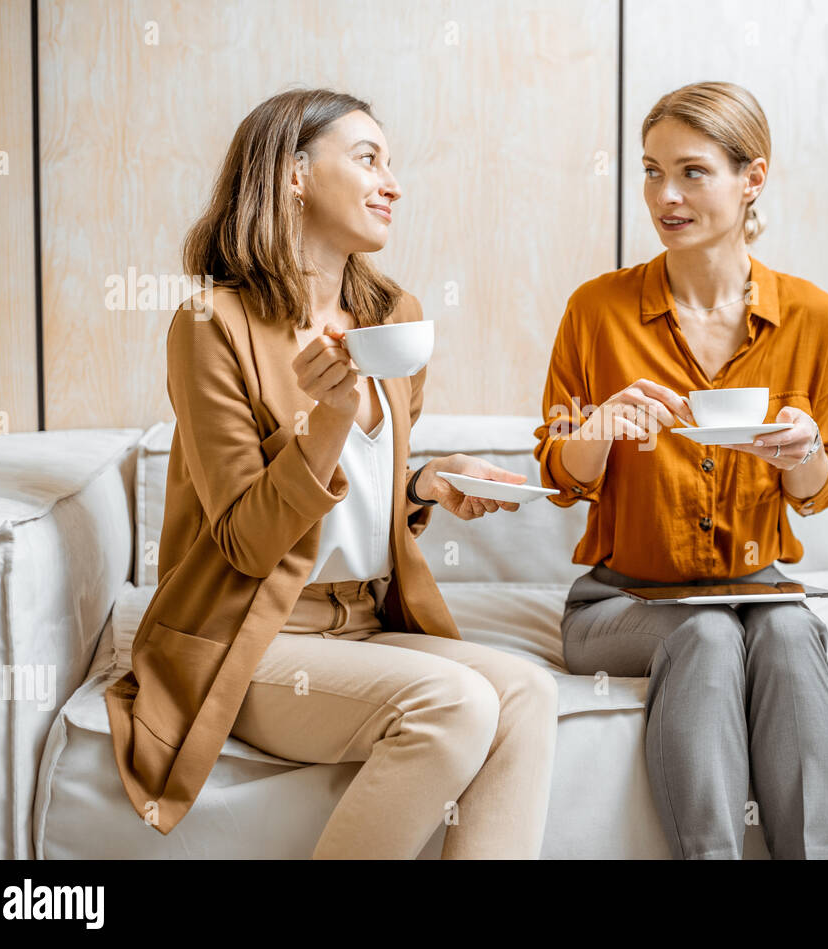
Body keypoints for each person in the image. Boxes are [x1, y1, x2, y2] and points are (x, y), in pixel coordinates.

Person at [106, 88, 557, 858]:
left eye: (391, 163)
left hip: (366, 624)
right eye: (368, 159)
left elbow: (372, 488)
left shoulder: (393, 312)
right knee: (453, 703)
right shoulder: (213, 323)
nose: (393, 183)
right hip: (254, 636)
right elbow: (246, 544)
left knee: (526, 692)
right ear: (294, 174)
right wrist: (327, 420)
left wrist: (427, 483)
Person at [533, 81, 828, 859]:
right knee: (706, 633)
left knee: (788, 629)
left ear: (753, 178)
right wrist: (598, 430)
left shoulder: (811, 316)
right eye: (650, 172)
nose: (664, 195)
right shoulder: (596, 310)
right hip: (621, 599)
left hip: (759, 585)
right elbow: (558, 473)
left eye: (691, 172)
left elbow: (817, 492)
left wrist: (804, 452)